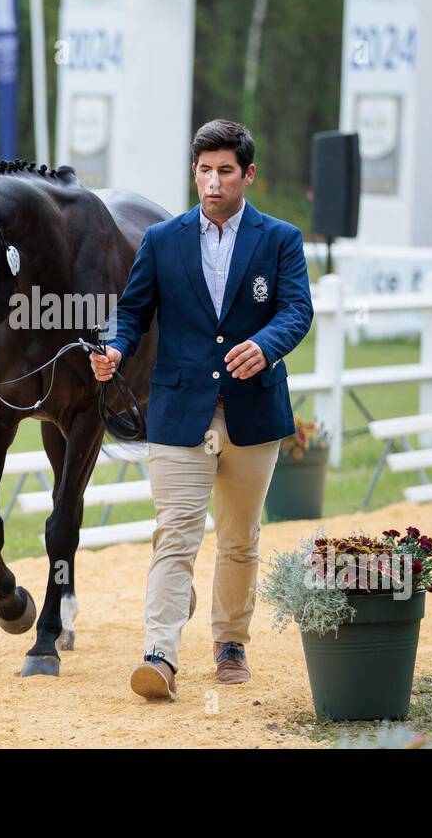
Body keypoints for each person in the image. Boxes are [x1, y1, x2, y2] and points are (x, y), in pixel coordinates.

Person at [90, 118, 314, 702]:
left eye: (225, 172)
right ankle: (159, 655)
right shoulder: (163, 240)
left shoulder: (281, 239)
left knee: (239, 538)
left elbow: (297, 311)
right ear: (195, 171)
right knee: (174, 535)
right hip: (178, 410)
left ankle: (230, 644)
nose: (213, 183)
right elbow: (132, 311)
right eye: (205, 171)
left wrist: (265, 347)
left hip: (252, 412)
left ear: (248, 175)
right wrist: (114, 345)